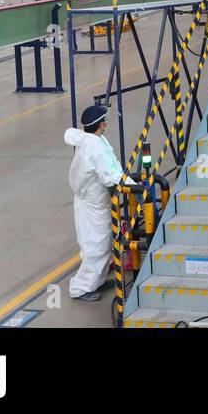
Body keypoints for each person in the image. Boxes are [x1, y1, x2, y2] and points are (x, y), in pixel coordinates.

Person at [64, 104, 131, 302]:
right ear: (100, 124)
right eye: (105, 120)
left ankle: (97, 281)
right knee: (95, 246)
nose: (107, 123)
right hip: (92, 205)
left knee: (104, 244)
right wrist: (135, 185)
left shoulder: (93, 139)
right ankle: (81, 288)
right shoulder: (94, 147)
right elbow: (110, 176)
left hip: (96, 202)